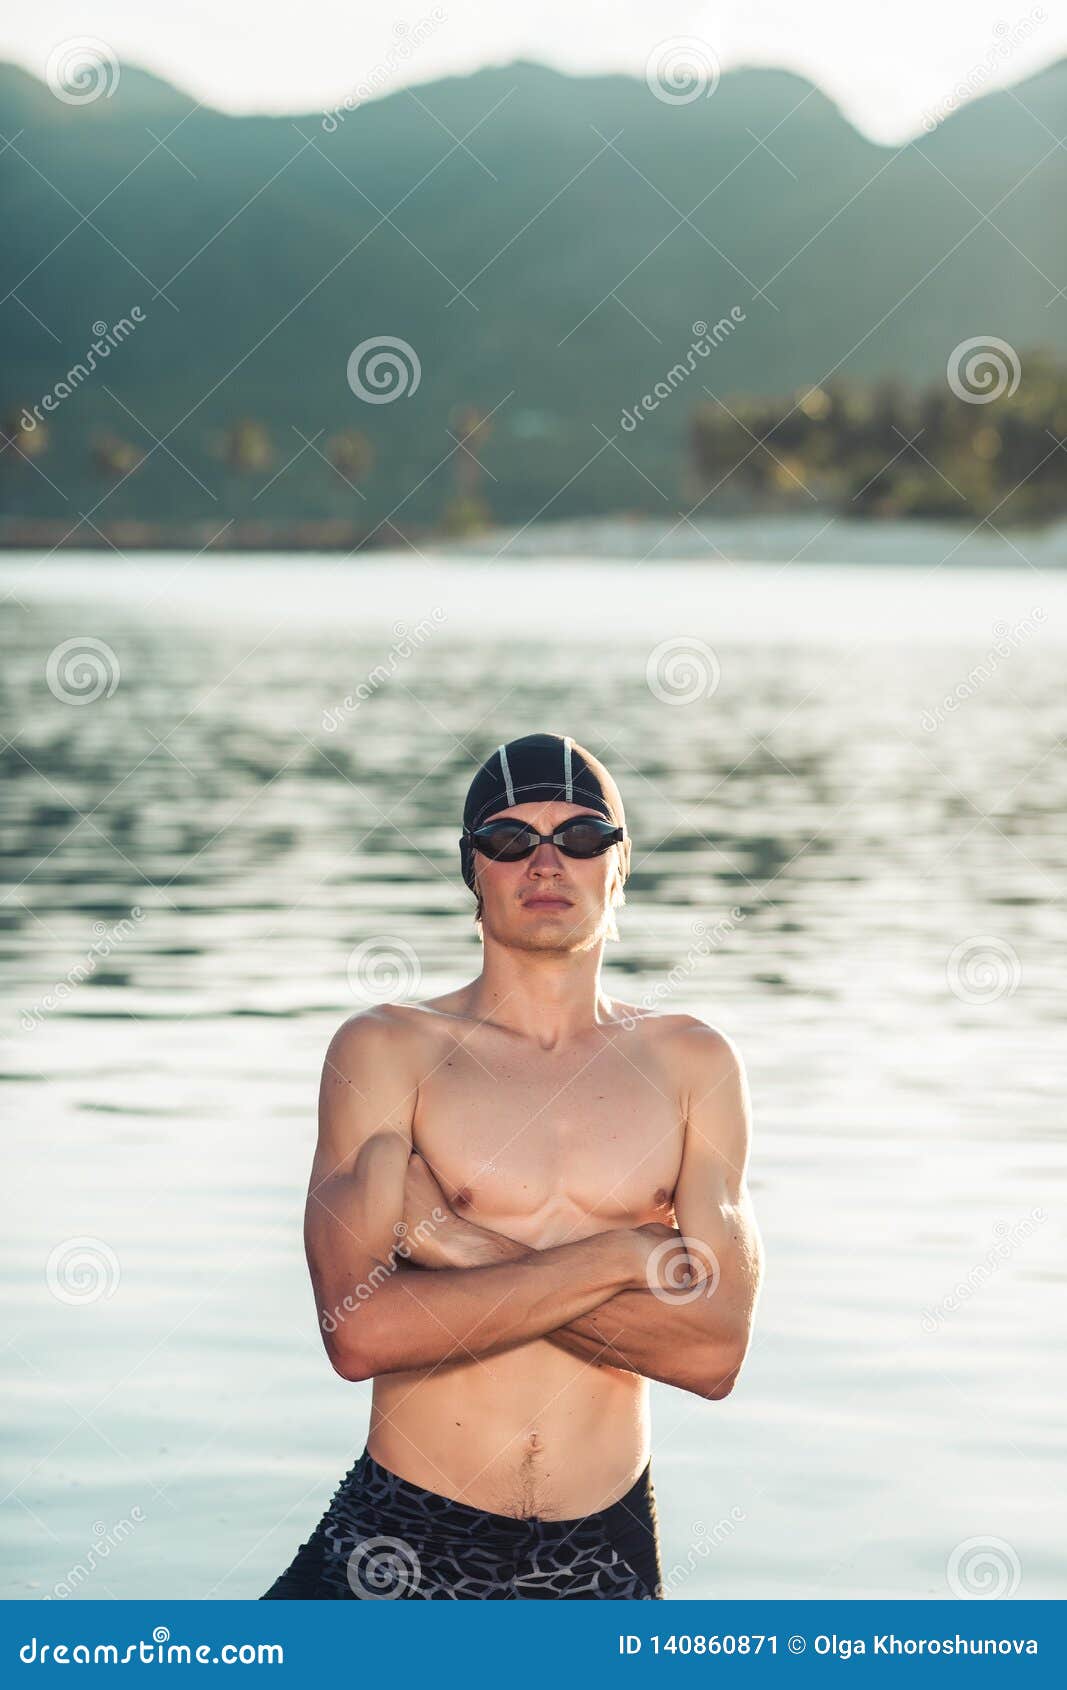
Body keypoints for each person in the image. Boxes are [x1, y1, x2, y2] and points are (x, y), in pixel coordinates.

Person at [262, 732, 763, 1599]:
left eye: (579, 837)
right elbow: (357, 1333)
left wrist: (457, 1243)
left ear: (620, 864)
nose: (544, 861)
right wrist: (619, 1260)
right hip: (404, 1537)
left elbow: (713, 1354)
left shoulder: (692, 1064)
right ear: (473, 870)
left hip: (601, 1555)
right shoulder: (388, 1051)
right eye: (508, 840)